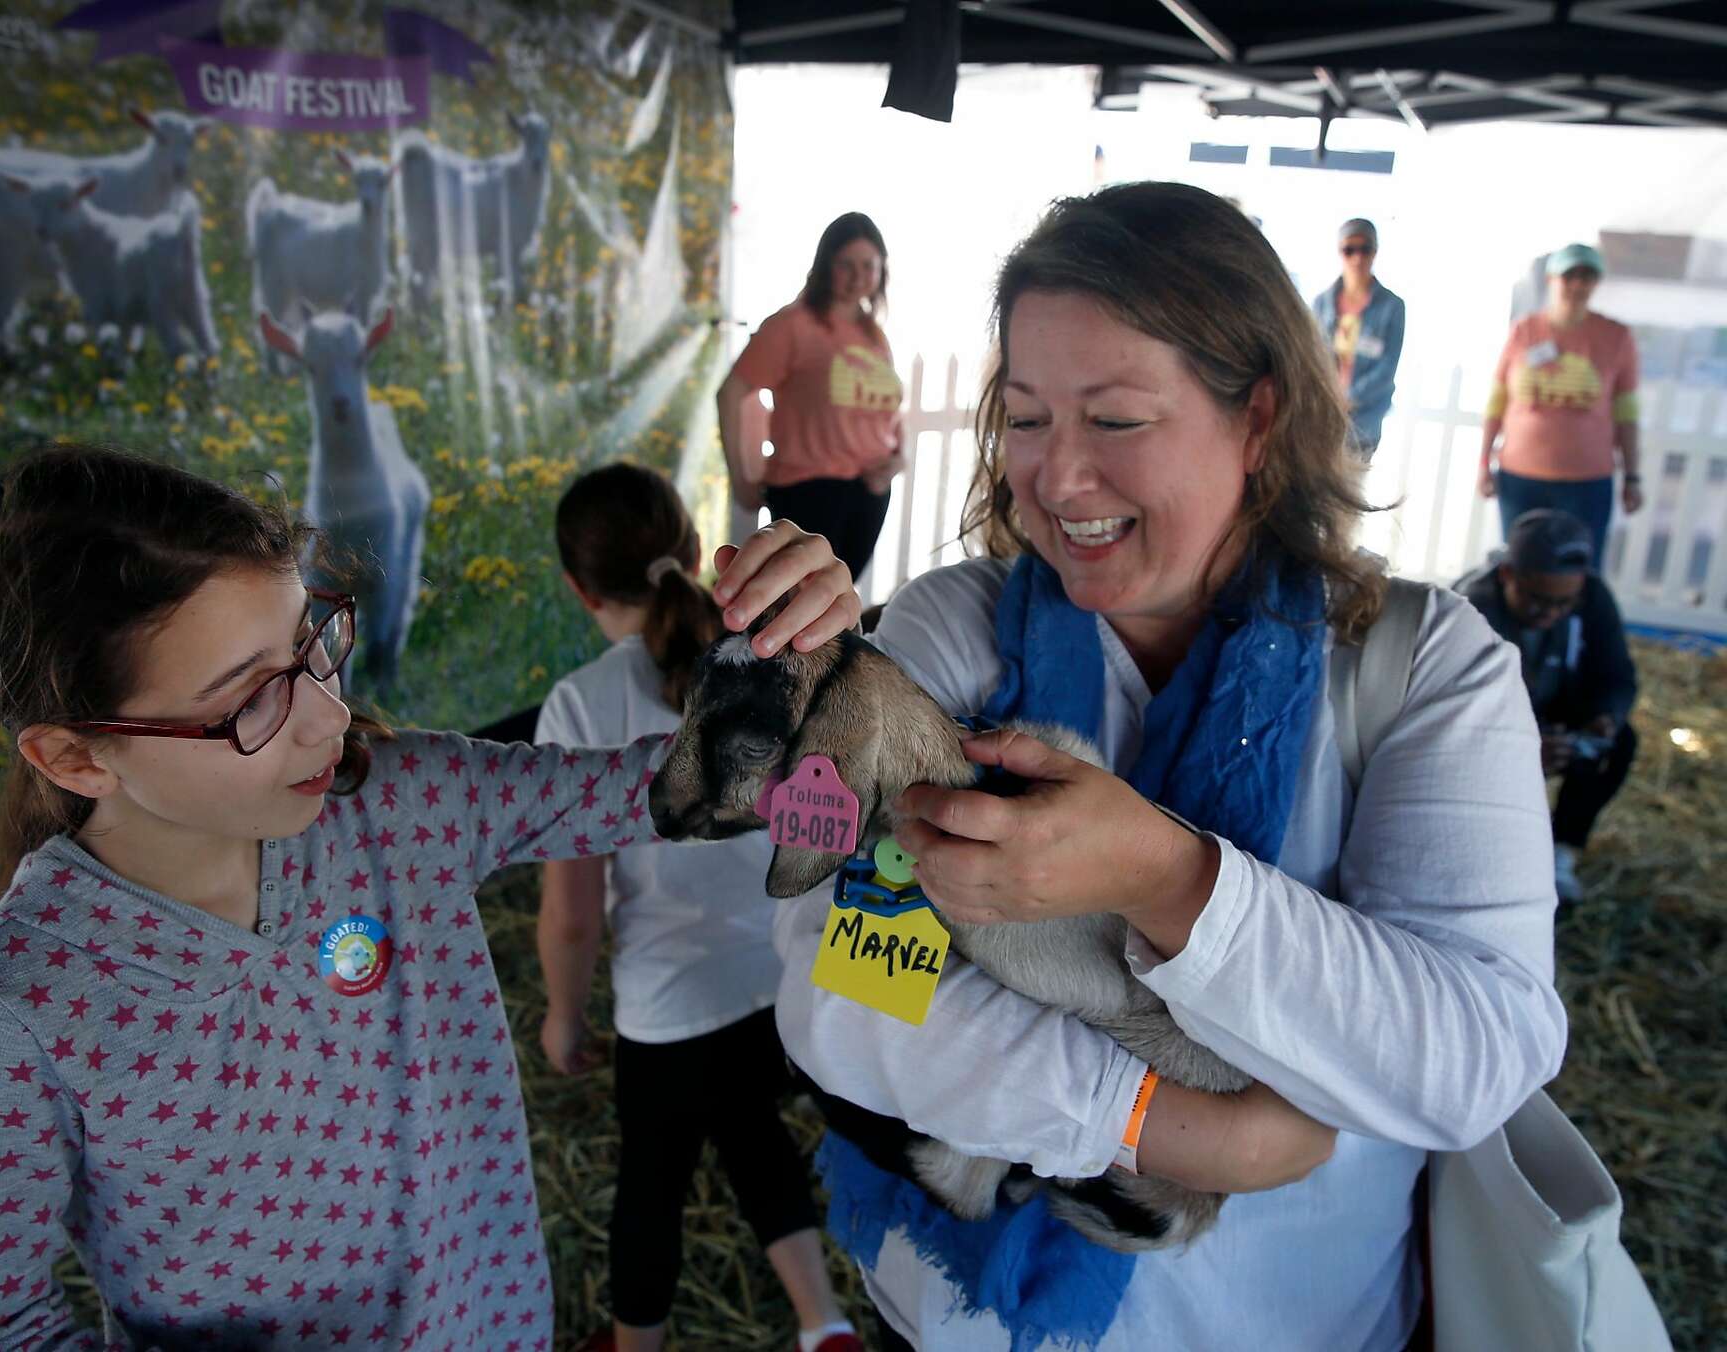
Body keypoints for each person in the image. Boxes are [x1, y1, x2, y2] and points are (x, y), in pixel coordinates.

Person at [771, 183, 1567, 1351]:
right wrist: (1165, 1124)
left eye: (1118, 419)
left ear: (1259, 421)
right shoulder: (944, 637)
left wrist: (1170, 880)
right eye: (1029, 417)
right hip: (949, 1319)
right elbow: (833, 980)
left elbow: (1475, 1055)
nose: (1057, 475)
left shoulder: (1422, 667)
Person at [0, 444, 860, 1349]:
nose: (330, 714)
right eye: (250, 701)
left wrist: (811, 656)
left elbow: (685, 784)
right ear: (75, 757)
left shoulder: (396, 804)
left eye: (308, 643)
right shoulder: (14, 1012)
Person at [535, 463, 864, 1352]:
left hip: (668, 1009)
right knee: (753, 1132)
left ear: (576, 586)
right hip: (783, 984)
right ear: (692, 548)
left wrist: (563, 1016)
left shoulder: (577, 704)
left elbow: (571, 911)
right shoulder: (767, 655)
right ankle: (824, 1320)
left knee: (650, 1185)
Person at [1457, 509, 1638, 903]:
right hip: (1485, 728)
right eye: (1537, 598)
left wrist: (1605, 717)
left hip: (1554, 709)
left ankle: (1561, 848)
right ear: (1507, 575)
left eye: (1564, 603)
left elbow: (1618, 674)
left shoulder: (1592, 596)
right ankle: (1493, 854)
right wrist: (1522, 745)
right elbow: (1463, 714)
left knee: (1620, 742)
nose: (1550, 613)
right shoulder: (1472, 609)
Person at [718, 212, 907, 582]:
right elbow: (730, 393)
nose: (858, 277)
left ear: (882, 269)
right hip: (808, 492)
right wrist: (740, 477)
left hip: (869, 492)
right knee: (803, 611)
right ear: (825, 265)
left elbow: (889, 414)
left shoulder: (874, 335)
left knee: (839, 603)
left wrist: (898, 459)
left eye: (868, 266)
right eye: (846, 265)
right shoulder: (792, 325)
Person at [1478, 243, 1643, 573]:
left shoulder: (1616, 337)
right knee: (1518, 566)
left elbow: (1627, 415)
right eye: (1570, 276)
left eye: (1587, 276)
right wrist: (1484, 461)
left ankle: (1573, 626)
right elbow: (1498, 401)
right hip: (1521, 475)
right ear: (1553, 279)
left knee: (1580, 570)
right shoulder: (1525, 331)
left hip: (1587, 479)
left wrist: (1632, 476)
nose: (1578, 285)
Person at [1310, 217, 1405, 461]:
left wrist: (1348, 398)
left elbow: (1386, 369)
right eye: (1349, 249)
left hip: (1364, 422)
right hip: (1320, 417)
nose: (1357, 258)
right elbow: (1310, 357)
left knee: (1349, 491)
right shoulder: (1321, 303)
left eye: (1365, 249)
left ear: (1375, 252)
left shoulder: (1392, 306)